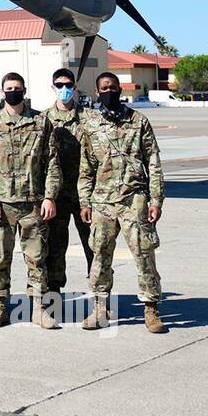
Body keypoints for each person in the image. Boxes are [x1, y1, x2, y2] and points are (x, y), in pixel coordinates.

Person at [78, 72, 167, 333]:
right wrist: (85, 201)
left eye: (114, 88)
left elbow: (154, 162)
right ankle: (100, 308)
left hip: (134, 200)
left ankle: (151, 309)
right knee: (100, 256)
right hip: (102, 202)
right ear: (97, 92)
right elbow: (86, 168)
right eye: (104, 88)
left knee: (144, 254)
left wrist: (156, 199)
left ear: (120, 90)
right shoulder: (90, 124)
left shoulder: (138, 122)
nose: (109, 92)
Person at [0, 73, 61, 329]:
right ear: (2, 93)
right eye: (8, 89)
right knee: (0, 258)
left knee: (36, 258)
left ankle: (37, 307)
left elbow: (52, 164)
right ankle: (0, 306)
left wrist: (50, 197)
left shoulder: (40, 122)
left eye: (17, 88)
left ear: (24, 91)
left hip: (33, 203)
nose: (13, 92)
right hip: (3, 205)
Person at [43, 68, 94, 298]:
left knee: (94, 246)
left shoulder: (89, 119)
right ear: (53, 87)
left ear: (75, 87)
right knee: (55, 247)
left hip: (86, 195)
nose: (64, 89)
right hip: (57, 195)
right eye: (59, 84)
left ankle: (99, 295)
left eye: (68, 85)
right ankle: (54, 294)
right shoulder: (43, 119)